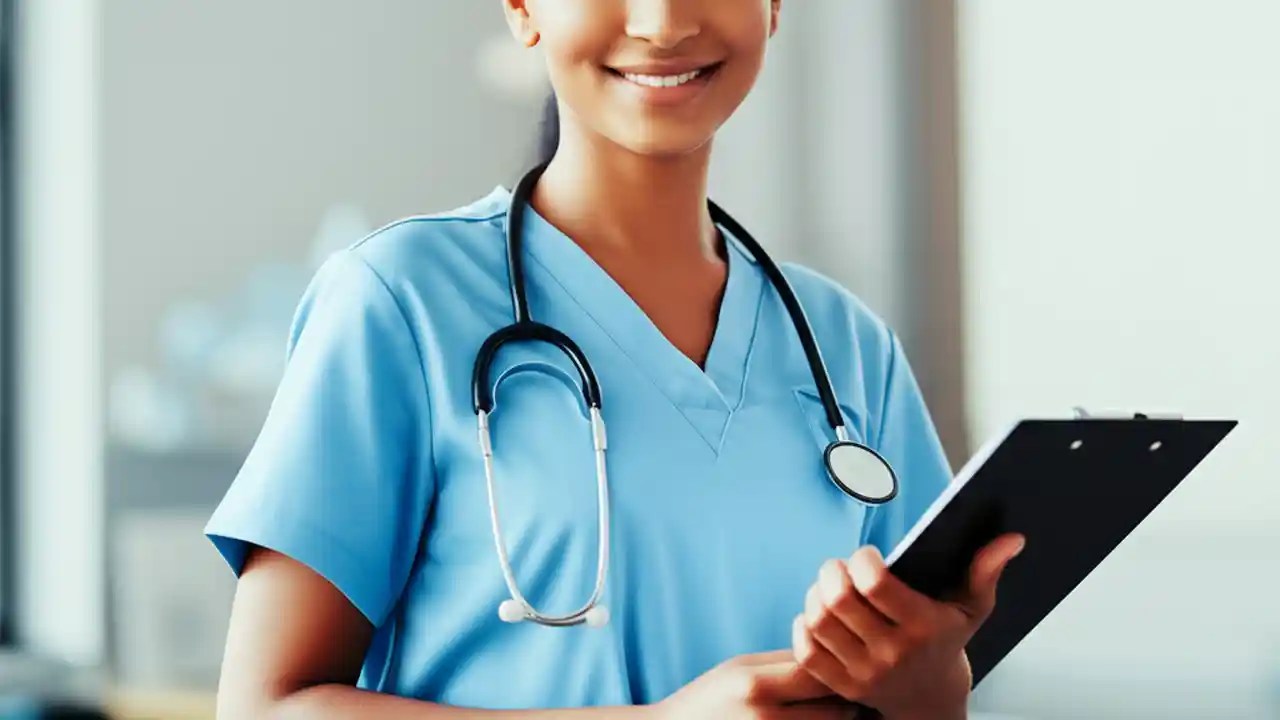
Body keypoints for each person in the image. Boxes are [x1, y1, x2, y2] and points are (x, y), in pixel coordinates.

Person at [205, 1, 1025, 718]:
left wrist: (929, 695)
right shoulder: (398, 303)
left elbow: (918, 686)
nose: (662, 21)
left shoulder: (847, 346)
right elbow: (265, 708)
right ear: (523, 7)